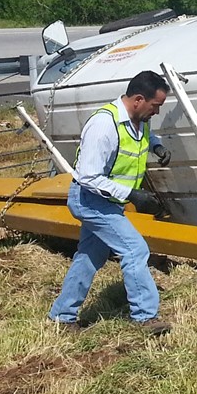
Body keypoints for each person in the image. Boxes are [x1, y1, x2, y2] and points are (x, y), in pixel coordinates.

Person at [48, 71, 175, 334]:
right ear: (139, 99)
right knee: (135, 250)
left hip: (107, 201)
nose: (157, 113)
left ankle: (62, 316)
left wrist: (157, 147)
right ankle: (145, 318)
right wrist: (132, 195)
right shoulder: (104, 126)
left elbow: (144, 137)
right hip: (90, 200)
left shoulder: (138, 118)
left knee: (89, 256)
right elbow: (87, 176)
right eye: (156, 106)